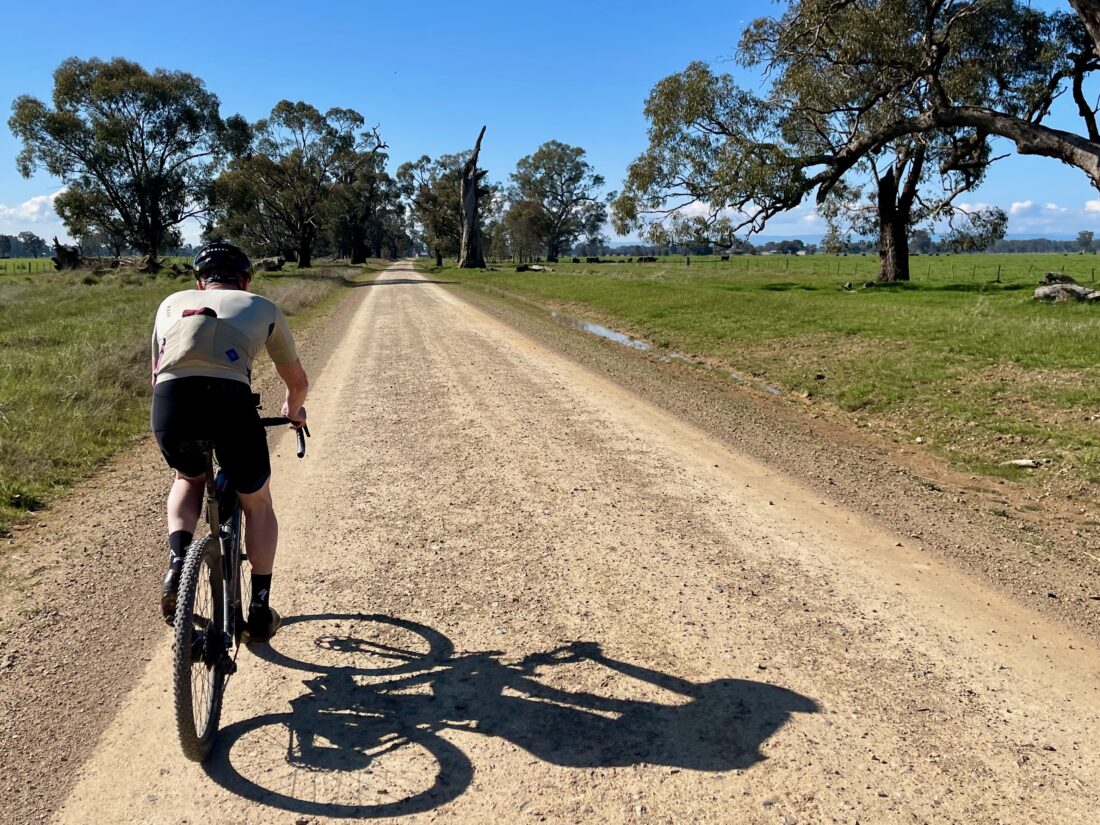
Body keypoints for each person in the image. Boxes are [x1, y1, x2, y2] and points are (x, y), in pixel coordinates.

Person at [150, 242, 308, 643]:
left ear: (201, 282)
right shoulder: (263, 306)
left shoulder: (170, 302)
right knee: (257, 501)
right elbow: (297, 382)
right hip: (230, 404)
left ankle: (177, 562)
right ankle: (258, 605)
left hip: (171, 404)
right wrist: (294, 410)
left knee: (188, 478)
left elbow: (158, 372)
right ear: (246, 279)